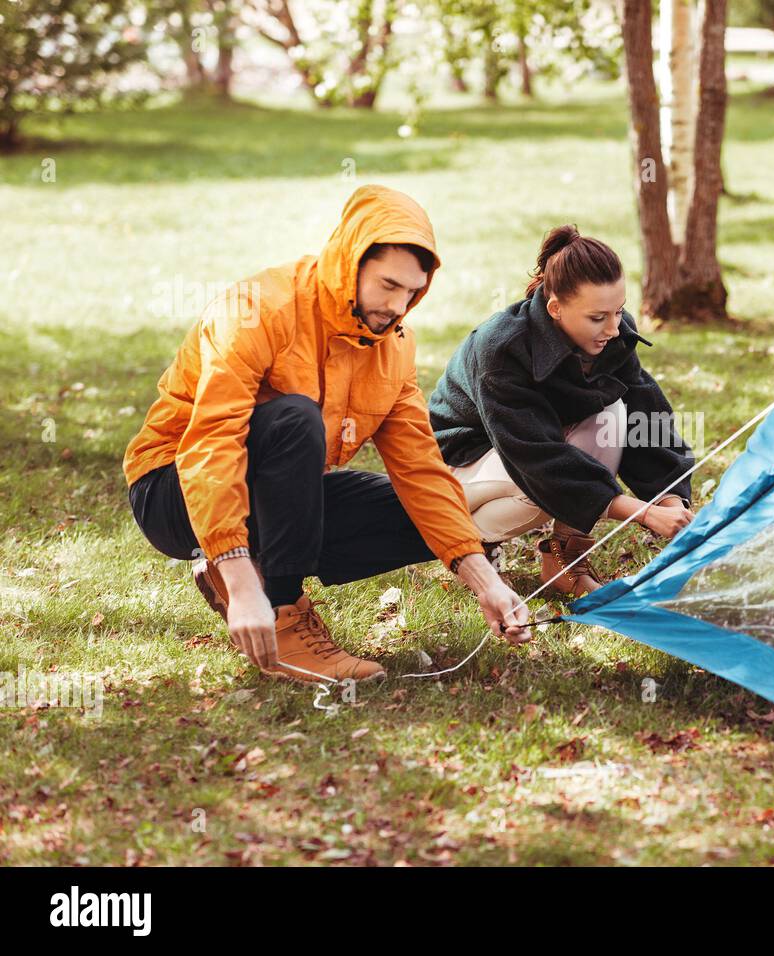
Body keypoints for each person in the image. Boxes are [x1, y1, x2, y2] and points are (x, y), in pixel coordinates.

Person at [123, 185, 530, 684]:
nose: (398, 306)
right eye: (387, 285)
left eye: (412, 292)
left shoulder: (393, 346)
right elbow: (211, 444)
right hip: (174, 489)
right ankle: (278, 604)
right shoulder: (258, 309)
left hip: (272, 497)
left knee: (436, 518)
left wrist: (483, 580)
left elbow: (420, 469)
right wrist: (238, 574)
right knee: (296, 418)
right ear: (349, 261)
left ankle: (252, 567)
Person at [427, 225, 696, 598]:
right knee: (536, 492)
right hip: (457, 468)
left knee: (612, 415)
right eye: (597, 317)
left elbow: (644, 418)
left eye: (618, 311)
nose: (614, 328)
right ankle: (470, 546)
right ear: (555, 308)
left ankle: (564, 562)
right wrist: (645, 513)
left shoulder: (615, 335)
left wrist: (671, 500)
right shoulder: (501, 349)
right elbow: (538, 460)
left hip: (526, 453)